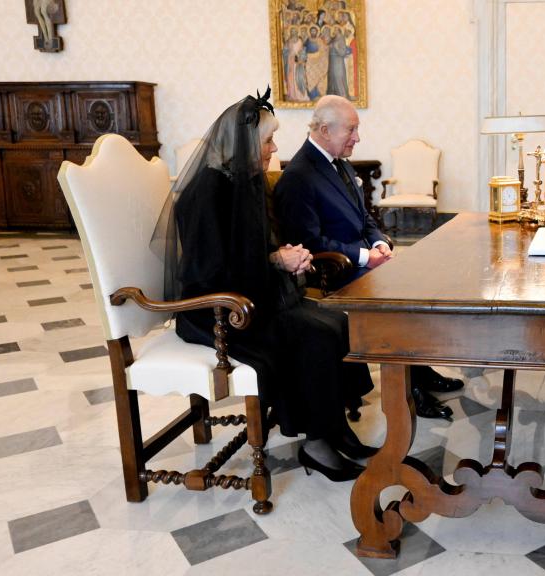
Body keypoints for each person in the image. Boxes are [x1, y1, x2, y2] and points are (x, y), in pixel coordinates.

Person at [154, 91, 376, 483]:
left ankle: (336, 428)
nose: (274, 150)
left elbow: (252, 250)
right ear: (241, 146)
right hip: (216, 310)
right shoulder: (204, 193)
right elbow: (212, 270)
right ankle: (317, 444)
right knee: (314, 335)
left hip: (251, 294)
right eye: (268, 142)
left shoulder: (245, 180)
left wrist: (281, 253)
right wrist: (276, 260)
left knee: (337, 322)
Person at [274, 94, 463, 421]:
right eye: (351, 130)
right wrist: (365, 257)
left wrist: (381, 243)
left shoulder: (341, 164)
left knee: (420, 281)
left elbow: (366, 218)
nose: (357, 138)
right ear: (324, 129)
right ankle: (411, 391)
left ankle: (421, 372)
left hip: (359, 262)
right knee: (400, 297)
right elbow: (307, 242)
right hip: (332, 272)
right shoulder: (299, 176)